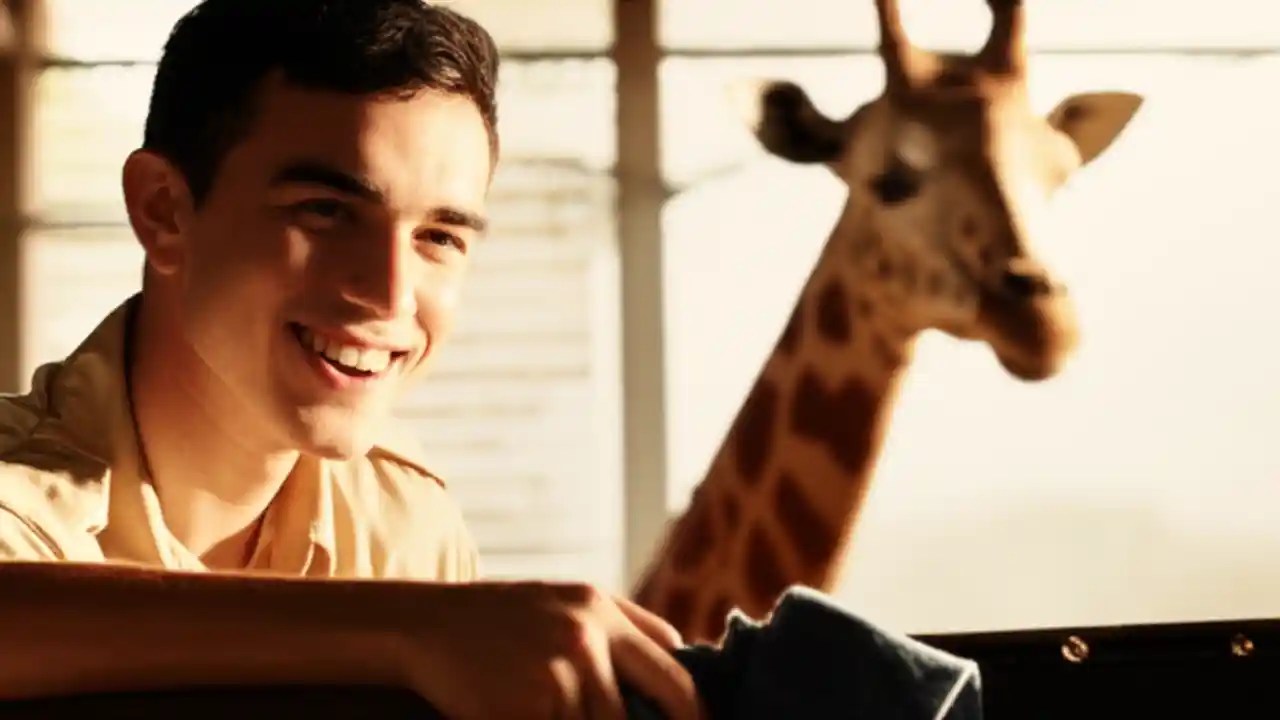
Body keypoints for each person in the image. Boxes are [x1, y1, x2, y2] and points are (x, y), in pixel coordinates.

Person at [0, 1, 702, 718]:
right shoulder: (16, 496)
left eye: (439, 238)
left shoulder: (408, 523)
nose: (390, 295)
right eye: (326, 211)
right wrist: (409, 630)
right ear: (163, 211)